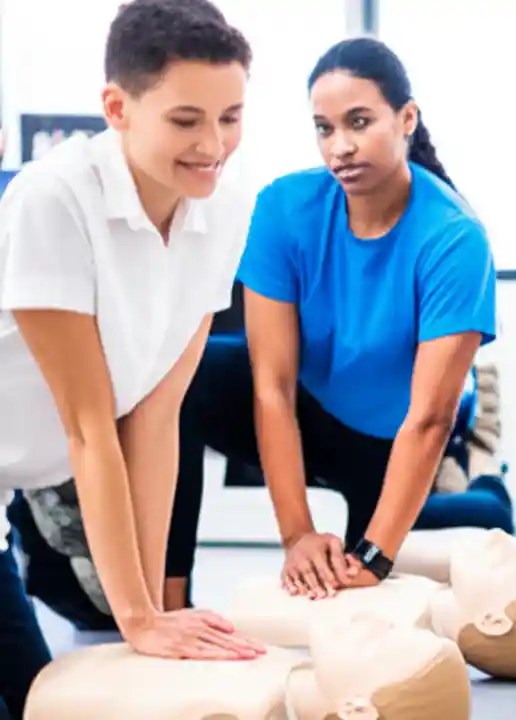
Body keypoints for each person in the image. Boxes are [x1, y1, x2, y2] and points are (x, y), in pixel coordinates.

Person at [163, 36, 499, 608]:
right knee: (182, 378)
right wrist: (296, 535)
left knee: (391, 568)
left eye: (359, 122)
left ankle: (486, 489)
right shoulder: (284, 208)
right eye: (324, 128)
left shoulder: (454, 237)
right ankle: (168, 603)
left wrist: (373, 555)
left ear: (407, 118)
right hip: (303, 409)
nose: (339, 146)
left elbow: (428, 418)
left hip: (390, 440)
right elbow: (271, 386)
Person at [0, 0, 267, 715]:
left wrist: (151, 617)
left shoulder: (223, 208)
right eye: (186, 120)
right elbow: (91, 428)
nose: (213, 143)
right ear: (117, 107)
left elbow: (154, 418)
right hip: (38, 466)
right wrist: (137, 621)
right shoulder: (52, 201)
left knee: (41, 699)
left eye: (231, 117)